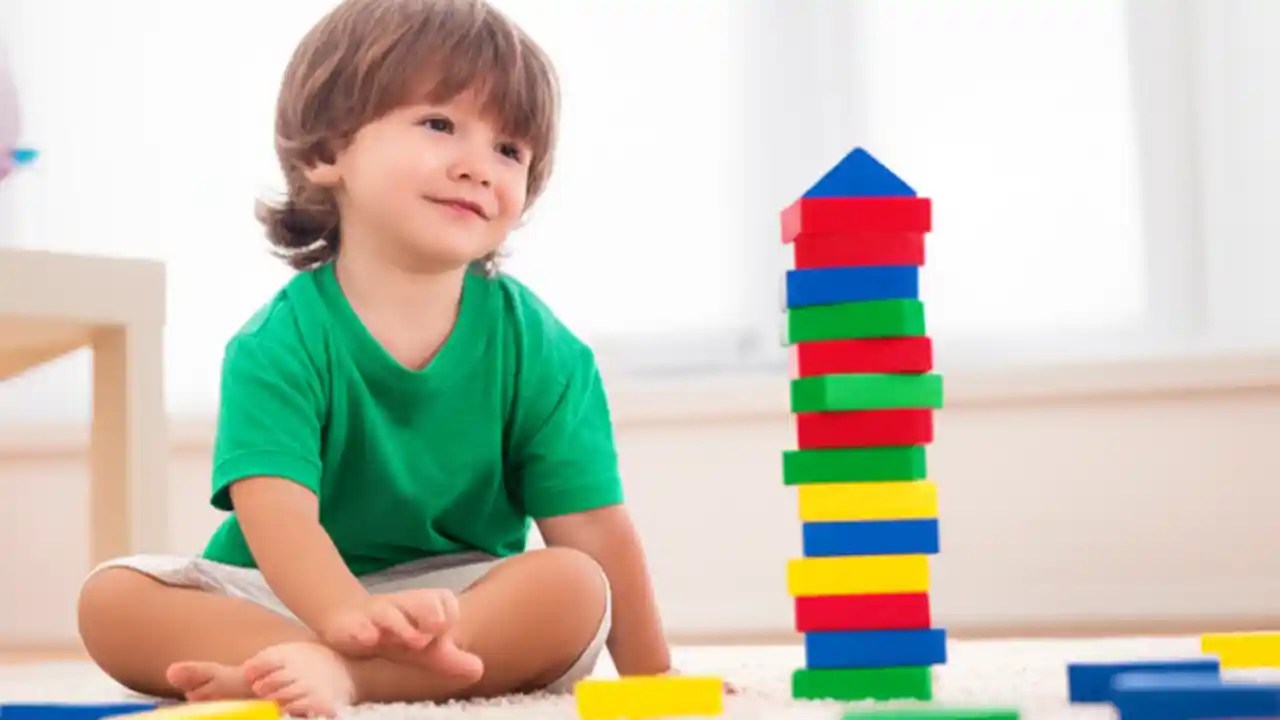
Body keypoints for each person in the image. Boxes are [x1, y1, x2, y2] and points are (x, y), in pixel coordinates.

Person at [75, 0, 675, 715]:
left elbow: (594, 524)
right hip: (286, 594)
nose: (479, 168)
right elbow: (279, 516)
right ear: (328, 153)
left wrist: (652, 676)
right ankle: (328, 661)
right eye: (439, 124)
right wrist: (345, 620)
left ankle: (347, 678)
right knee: (111, 601)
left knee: (574, 585)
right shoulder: (278, 342)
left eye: (509, 150)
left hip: (460, 597)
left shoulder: (543, 349)